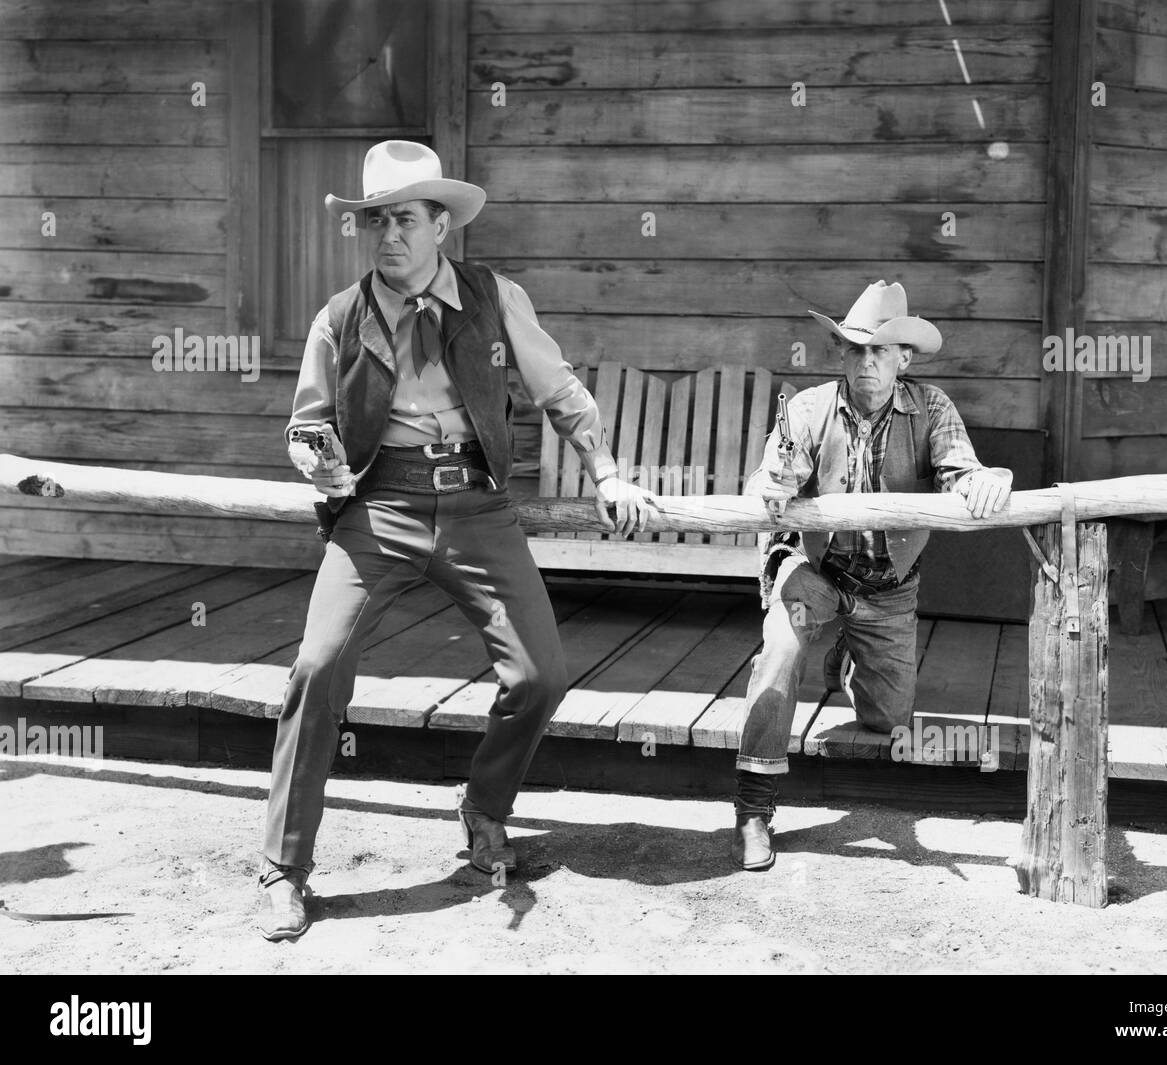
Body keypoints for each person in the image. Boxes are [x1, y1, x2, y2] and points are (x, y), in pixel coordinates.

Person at [257, 140, 657, 939]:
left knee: (543, 673)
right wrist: (320, 462)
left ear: (442, 224)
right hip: (379, 508)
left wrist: (608, 473)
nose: (388, 235)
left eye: (405, 218)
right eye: (377, 220)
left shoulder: (495, 297)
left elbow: (565, 394)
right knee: (317, 665)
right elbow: (306, 425)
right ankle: (284, 866)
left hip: (477, 505)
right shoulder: (339, 317)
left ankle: (484, 808)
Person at [732, 280, 1013, 871]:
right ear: (839, 354)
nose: (867, 362)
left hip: (889, 589)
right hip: (817, 569)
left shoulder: (932, 406)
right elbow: (771, 477)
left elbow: (962, 471)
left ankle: (850, 657)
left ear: (903, 359)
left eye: (880, 351)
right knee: (782, 649)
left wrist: (989, 479)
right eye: (855, 350)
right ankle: (754, 807)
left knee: (888, 720)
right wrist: (775, 487)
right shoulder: (807, 409)